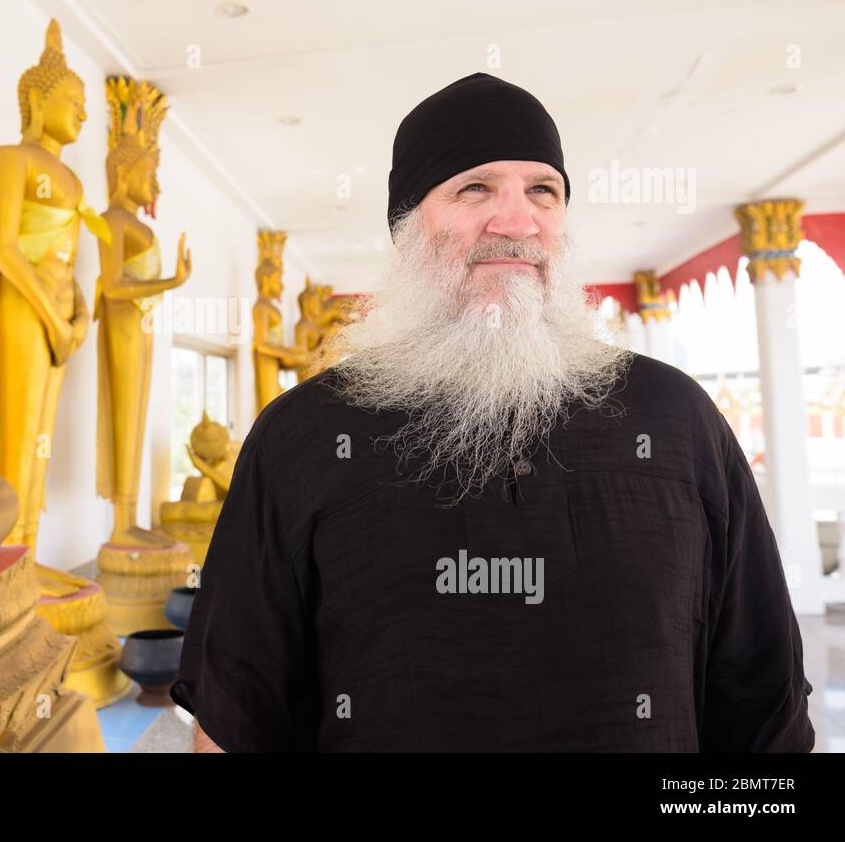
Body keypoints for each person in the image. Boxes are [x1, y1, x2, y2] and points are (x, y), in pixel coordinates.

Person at [170, 72, 815, 752]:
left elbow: (762, 711)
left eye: (544, 190)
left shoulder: (677, 421)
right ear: (407, 229)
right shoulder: (301, 436)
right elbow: (238, 717)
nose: (516, 222)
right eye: (474, 188)